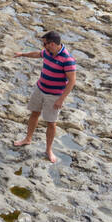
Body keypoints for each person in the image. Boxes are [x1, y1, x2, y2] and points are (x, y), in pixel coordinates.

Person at [12, 31, 77, 164]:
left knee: (51, 123)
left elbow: (72, 81)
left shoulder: (67, 59)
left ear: (52, 44)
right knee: (34, 113)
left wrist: (61, 99)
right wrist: (22, 54)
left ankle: (48, 150)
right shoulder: (48, 52)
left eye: (45, 43)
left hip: (54, 96)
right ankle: (27, 139)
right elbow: (37, 54)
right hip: (40, 89)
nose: (43, 46)